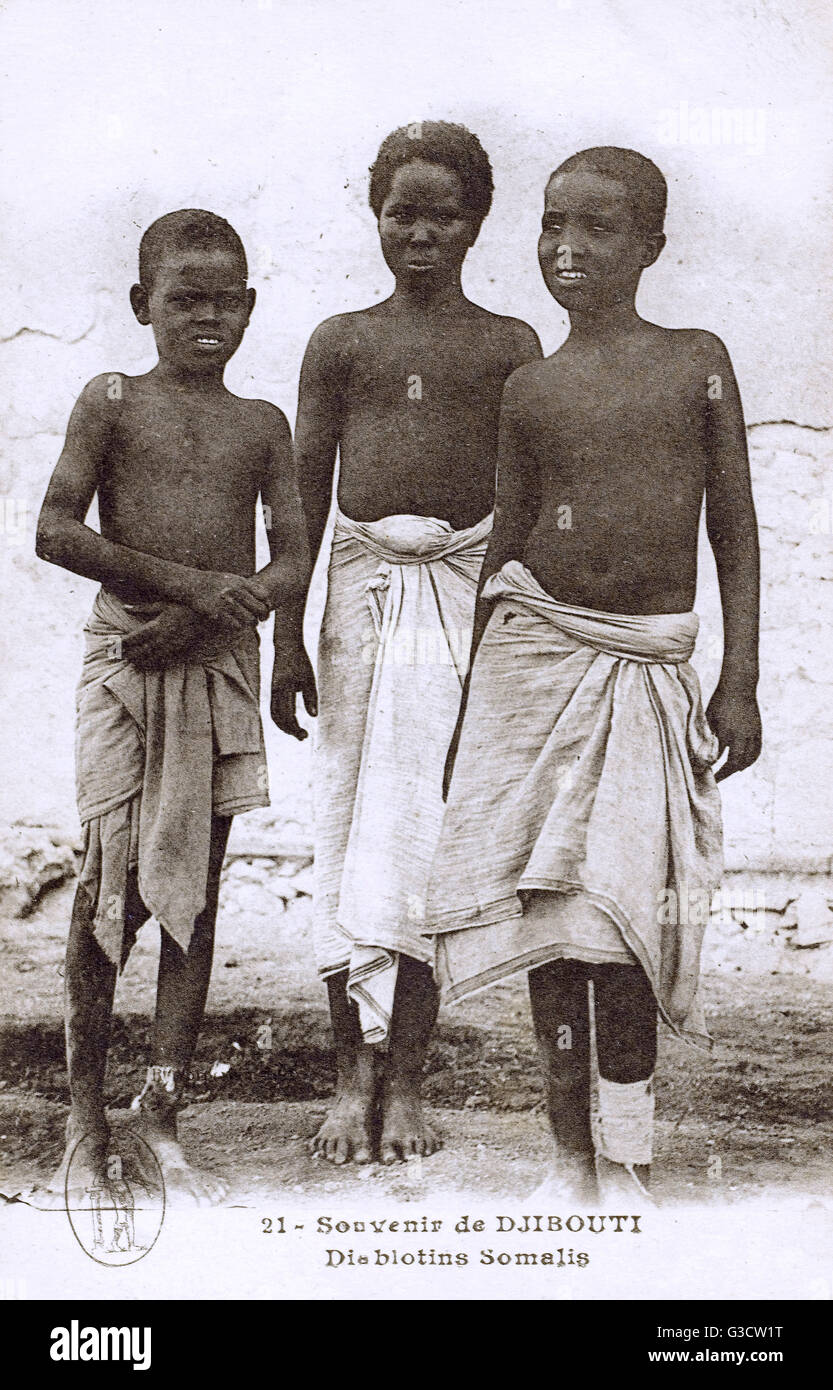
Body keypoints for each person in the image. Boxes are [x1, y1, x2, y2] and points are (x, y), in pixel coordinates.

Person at [426, 147, 762, 1200]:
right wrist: (472, 703)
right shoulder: (530, 385)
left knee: (620, 919)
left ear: (649, 246)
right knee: (550, 929)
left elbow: (735, 532)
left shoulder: (695, 360)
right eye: (549, 225)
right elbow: (504, 544)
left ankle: (627, 1152)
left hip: (644, 671)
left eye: (595, 230)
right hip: (533, 665)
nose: (565, 249)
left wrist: (738, 676)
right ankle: (568, 1158)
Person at [34, 209, 315, 1205]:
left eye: (224, 298)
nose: (206, 314)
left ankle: (160, 1117)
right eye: (183, 296)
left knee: (191, 891)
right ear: (141, 303)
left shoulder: (262, 425)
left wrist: (210, 616)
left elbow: (289, 557)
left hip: (213, 662)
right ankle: (81, 1121)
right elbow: (55, 530)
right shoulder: (109, 400)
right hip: (125, 655)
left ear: (249, 307)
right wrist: (187, 586)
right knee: (110, 881)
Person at [296, 121, 541, 1164]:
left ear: (476, 221)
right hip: (354, 600)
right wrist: (285, 643)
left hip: (461, 597)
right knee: (347, 827)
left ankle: (408, 1078)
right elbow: (302, 503)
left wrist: (499, 634)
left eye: (442, 213)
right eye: (402, 211)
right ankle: (347, 1076)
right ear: (375, 215)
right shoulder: (340, 339)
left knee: (430, 834)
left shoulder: (508, 345)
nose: (420, 232)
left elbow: (524, 506)